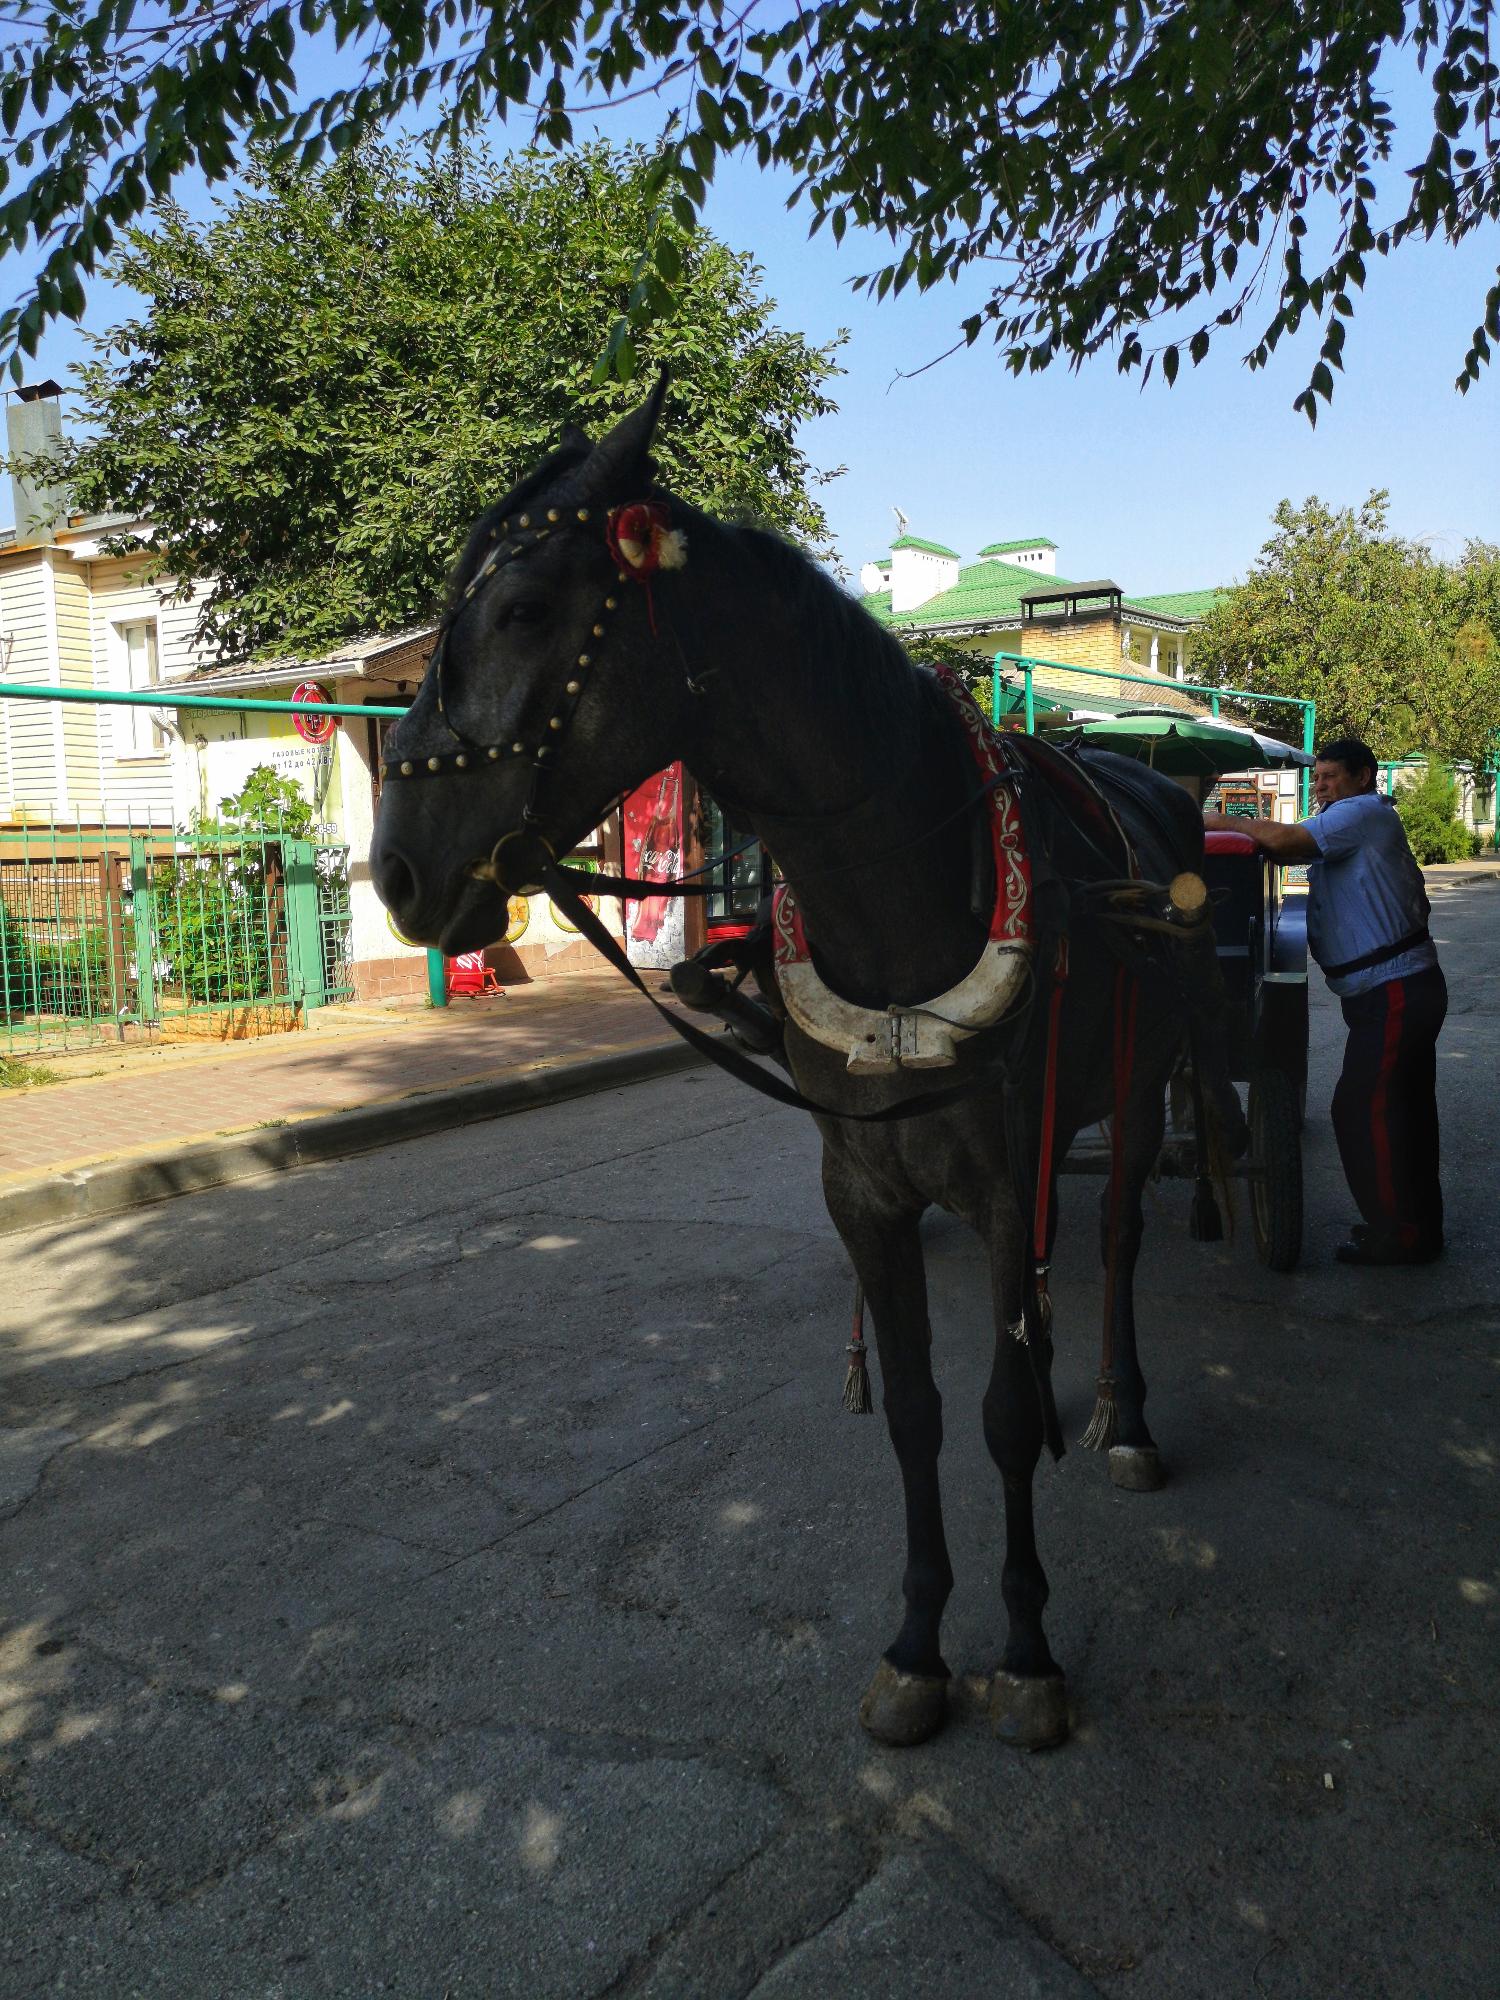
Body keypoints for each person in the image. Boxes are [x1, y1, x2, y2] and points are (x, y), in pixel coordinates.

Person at [1204, 738, 1446, 1266]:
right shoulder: (1353, 818)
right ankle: (1415, 1227)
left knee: (1361, 1110)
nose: (1322, 787)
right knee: (1404, 1113)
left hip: (1395, 991)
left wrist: (1224, 820)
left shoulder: (1361, 813)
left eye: (1332, 776)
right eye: (1319, 779)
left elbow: (1286, 840)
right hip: (1389, 991)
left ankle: (1398, 1238)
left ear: (1364, 777)